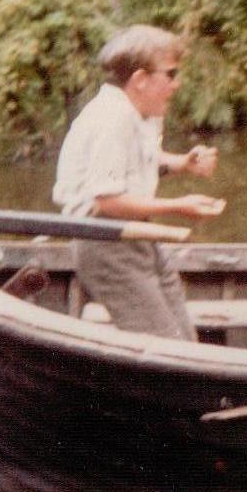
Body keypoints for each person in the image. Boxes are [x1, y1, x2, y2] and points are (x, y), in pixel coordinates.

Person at [52, 24, 225, 339]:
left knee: (186, 338)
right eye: (170, 74)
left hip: (138, 236)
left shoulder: (141, 111)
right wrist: (178, 206)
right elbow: (107, 199)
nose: (177, 84)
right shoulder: (112, 119)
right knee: (166, 346)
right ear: (140, 80)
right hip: (105, 243)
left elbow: (142, 160)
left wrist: (181, 164)